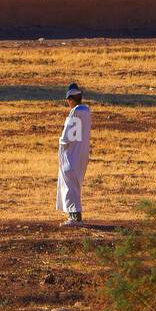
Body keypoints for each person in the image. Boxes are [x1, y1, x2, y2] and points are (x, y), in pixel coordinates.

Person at [56, 83, 91, 226]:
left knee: (70, 184)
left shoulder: (76, 112)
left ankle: (75, 218)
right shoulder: (86, 111)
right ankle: (74, 216)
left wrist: (61, 141)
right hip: (81, 153)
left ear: (71, 99)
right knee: (74, 184)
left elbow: (68, 136)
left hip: (71, 154)